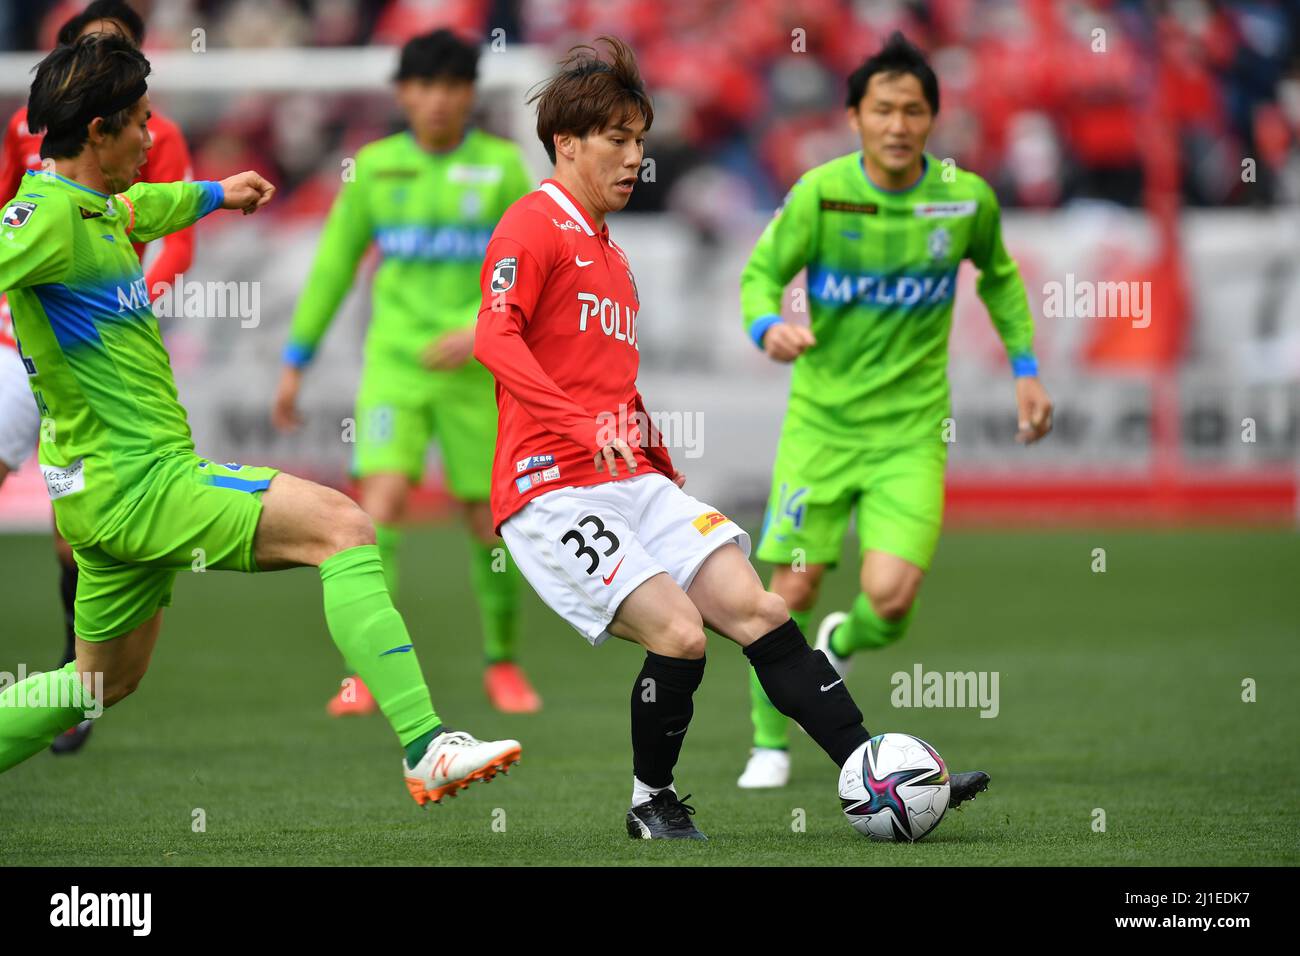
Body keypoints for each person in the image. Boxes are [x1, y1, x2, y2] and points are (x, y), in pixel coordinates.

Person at [473, 36, 990, 839]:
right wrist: (577, 423)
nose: (636, 157)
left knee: (758, 606)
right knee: (680, 635)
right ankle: (652, 802)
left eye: (641, 141)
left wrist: (654, 455)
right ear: (566, 143)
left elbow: (607, 379)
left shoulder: (612, 255)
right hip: (548, 487)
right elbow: (495, 342)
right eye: (618, 139)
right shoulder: (530, 225)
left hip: (629, 480)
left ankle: (877, 771)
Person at [0, 34, 520, 808]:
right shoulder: (41, 217)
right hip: (142, 481)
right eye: (140, 121)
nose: (153, 136)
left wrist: (217, 195)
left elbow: (152, 204)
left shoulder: (100, 208)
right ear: (99, 130)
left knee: (99, 684)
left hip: (100, 498)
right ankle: (425, 743)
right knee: (344, 528)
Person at [736, 33, 1053, 789]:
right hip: (820, 425)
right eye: (883, 108)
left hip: (912, 432)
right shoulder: (822, 193)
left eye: (914, 110)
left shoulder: (964, 197)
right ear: (854, 116)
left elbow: (1001, 279)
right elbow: (759, 273)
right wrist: (767, 326)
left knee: (891, 598)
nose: (898, 124)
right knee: (791, 590)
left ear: (932, 119)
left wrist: (1027, 369)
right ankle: (767, 744)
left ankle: (845, 638)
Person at [272, 29, 539, 716]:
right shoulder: (374, 167)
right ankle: (362, 673)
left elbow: (529, 271)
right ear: (404, 94)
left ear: (471, 94)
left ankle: (502, 665)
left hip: (478, 367)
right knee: (377, 506)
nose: (439, 100)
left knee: (488, 521)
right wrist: (295, 361)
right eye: (425, 86)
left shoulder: (505, 168)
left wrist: (480, 328)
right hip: (394, 366)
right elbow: (334, 265)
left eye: (453, 86)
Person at [0, 0, 200, 756]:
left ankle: (71, 676)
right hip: (15, 344)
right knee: (342, 528)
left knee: (71, 543)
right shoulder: (34, 140)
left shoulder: (155, 138)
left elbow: (157, 216)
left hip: (93, 359)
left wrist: (148, 288)